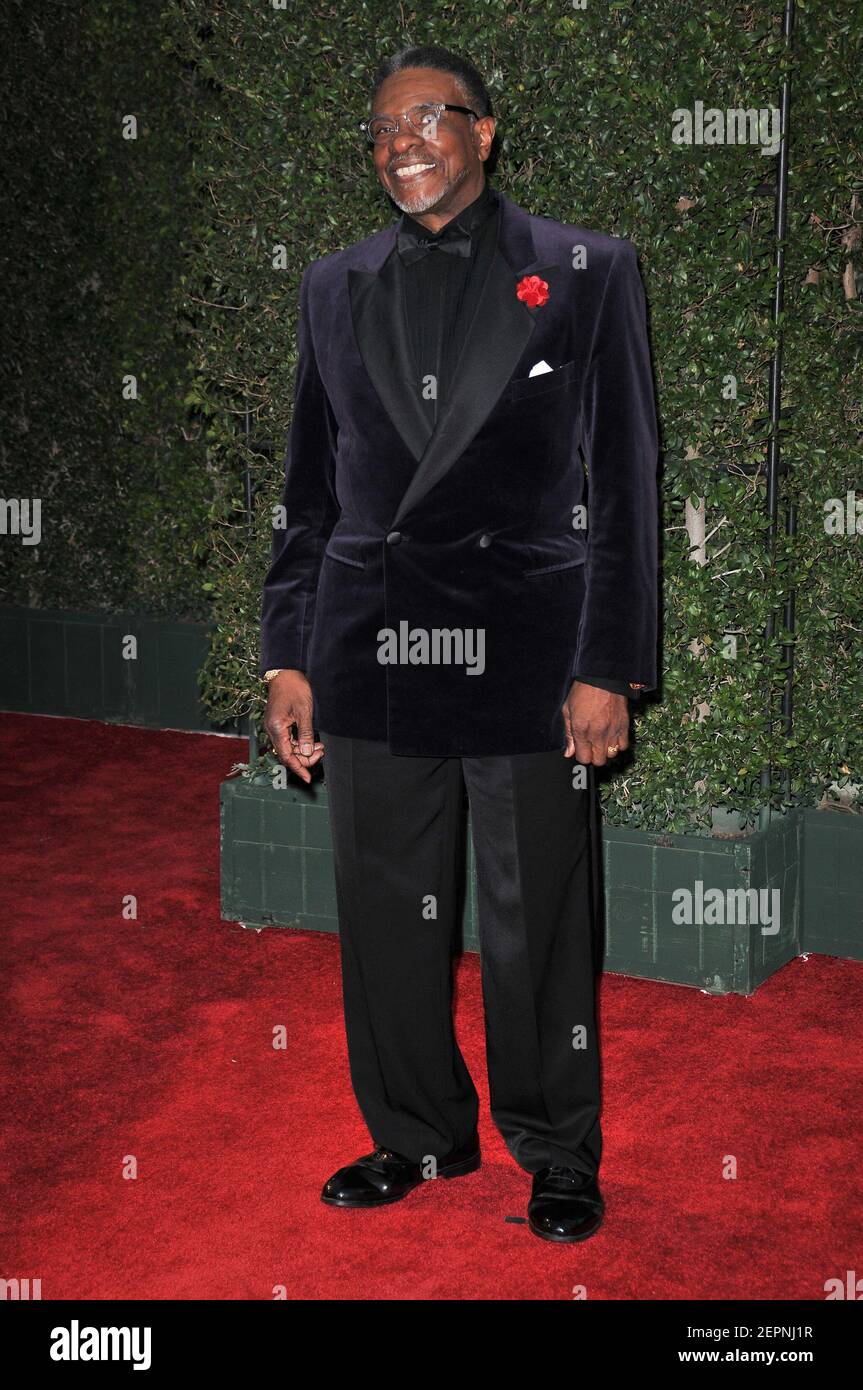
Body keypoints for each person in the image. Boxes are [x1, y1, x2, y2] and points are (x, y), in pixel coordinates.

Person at [260, 44, 658, 1242]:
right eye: (381, 128)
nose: (403, 142)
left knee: (536, 910)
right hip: (371, 640)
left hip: (526, 646)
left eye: (429, 117)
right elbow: (306, 491)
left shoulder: (586, 271)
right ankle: (414, 1129)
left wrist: (608, 662)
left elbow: (626, 480)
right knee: (384, 909)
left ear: (485, 133)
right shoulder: (332, 285)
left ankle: (554, 1147)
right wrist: (289, 653)